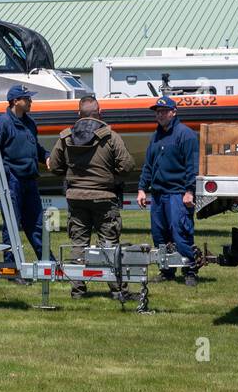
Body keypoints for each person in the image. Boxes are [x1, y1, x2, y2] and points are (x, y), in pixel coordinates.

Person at [49, 97, 134, 298]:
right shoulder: (110, 137)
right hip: (104, 197)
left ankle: (77, 289)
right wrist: (111, 176)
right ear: (100, 112)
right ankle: (117, 290)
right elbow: (127, 165)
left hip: (76, 197)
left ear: (79, 113)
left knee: (78, 243)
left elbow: (54, 165)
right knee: (109, 244)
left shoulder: (65, 137)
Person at [136, 96, 200, 285]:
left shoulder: (185, 135)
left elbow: (192, 166)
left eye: (164, 111)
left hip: (177, 193)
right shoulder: (155, 137)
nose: (161, 114)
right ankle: (166, 271)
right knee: (159, 235)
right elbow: (149, 165)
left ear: (174, 112)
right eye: (158, 111)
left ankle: (190, 271)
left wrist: (190, 191)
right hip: (158, 195)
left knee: (181, 233)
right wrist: (141, 189)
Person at [0, 84, 49, 266]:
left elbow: (35, 147)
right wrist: (7, 175)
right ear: (15, 101)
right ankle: (11, 268)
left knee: (37, 225)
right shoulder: (2, 123)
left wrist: (47, 157)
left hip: (30, 181)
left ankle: (47, 264)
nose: (31, 102)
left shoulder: (30, 123)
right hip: (12, 183)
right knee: (12, 226)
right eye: (27, 99)